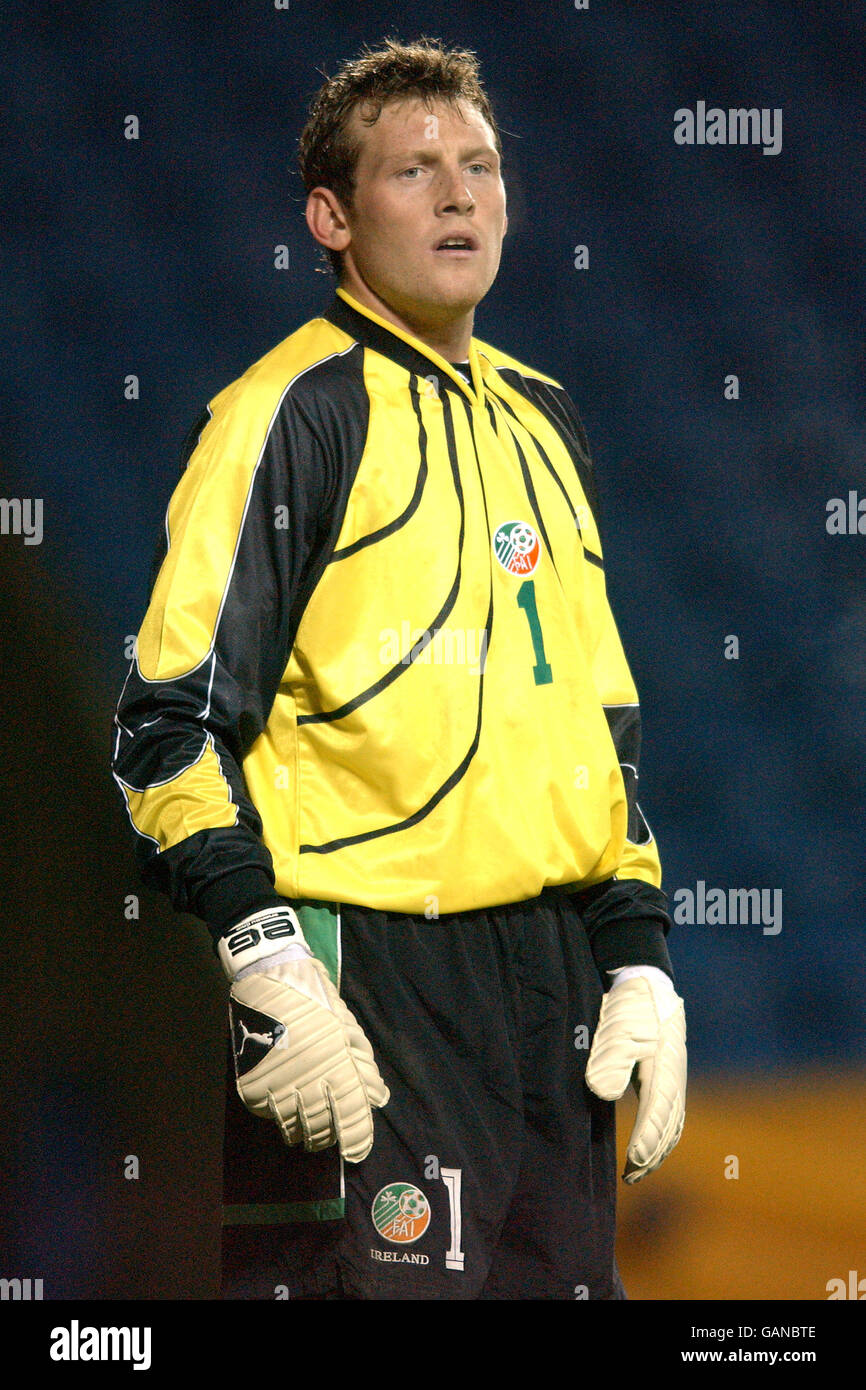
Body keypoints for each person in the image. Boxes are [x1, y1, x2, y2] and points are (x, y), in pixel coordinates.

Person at [111, 35, 687, 1301]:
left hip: (551, 994)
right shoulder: (286, 414)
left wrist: (636, 953)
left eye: (478, 166)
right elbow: (166, 726)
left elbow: (600, 724)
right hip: (364, 982)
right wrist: (263, 957)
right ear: (330, 216)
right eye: (412, 170)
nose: (458, 196)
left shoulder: (544, 414)